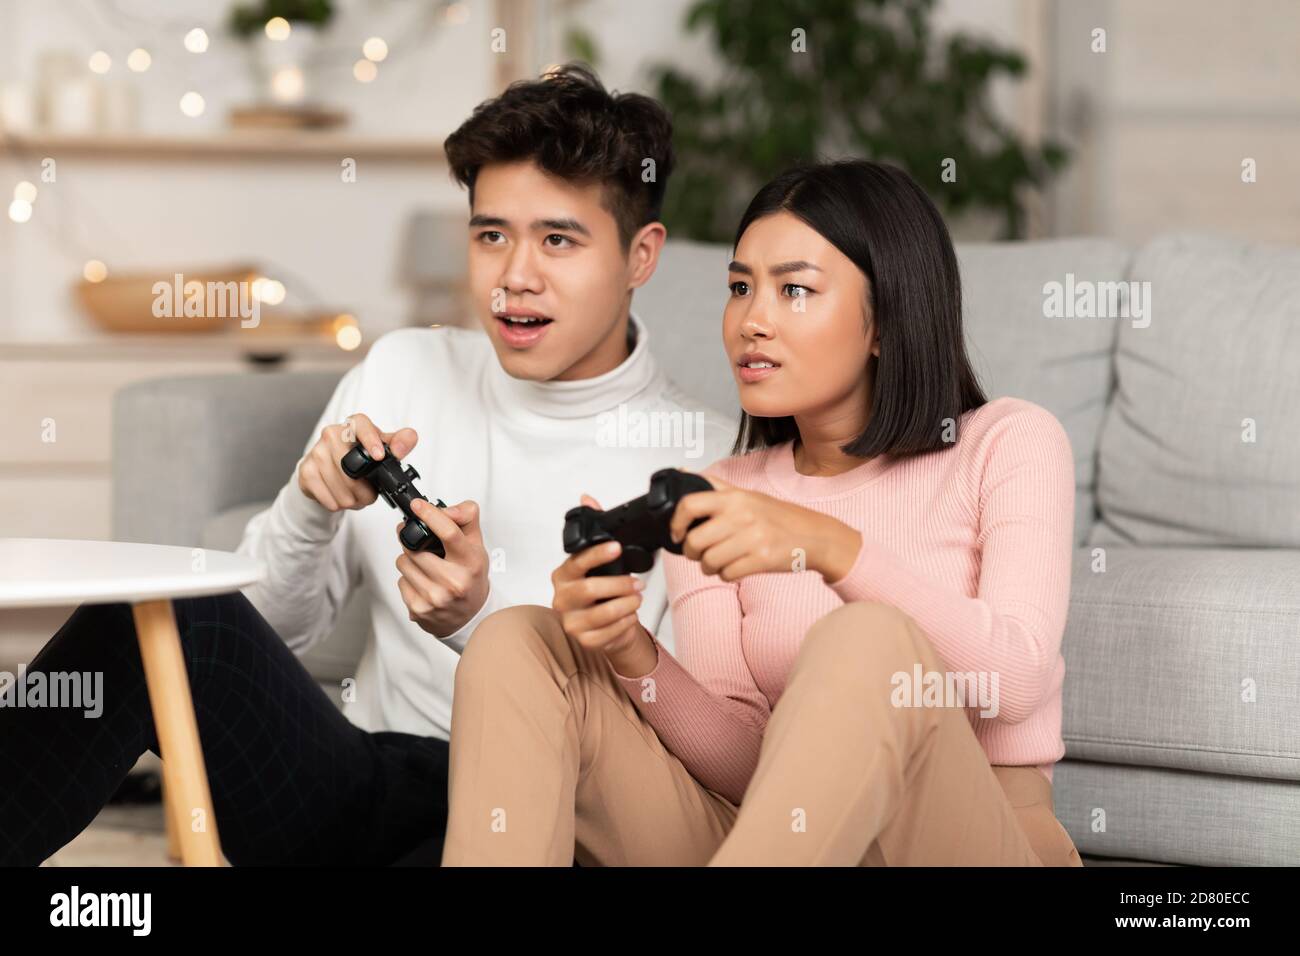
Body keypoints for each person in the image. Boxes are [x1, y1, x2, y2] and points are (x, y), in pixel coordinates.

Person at [0, 64, 733, 867]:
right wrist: (311, 510)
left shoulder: (708, 457)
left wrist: (479, 629)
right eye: (491, 235)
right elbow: (277, 632)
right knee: (162, 615)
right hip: (370, 780)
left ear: (641, 255)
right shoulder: (405, 371)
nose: (514, 276)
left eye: (558, 239)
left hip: (556, 821)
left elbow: (678, 757)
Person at [440, 159, 1085, 867]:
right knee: (520, 644)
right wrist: (630, 651)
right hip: (781, 838)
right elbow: (745, 763)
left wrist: (831, 548)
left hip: (967, 839)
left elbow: (1015, 682)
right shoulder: (726, 491)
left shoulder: (1009, 442)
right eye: (741, 287)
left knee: (868, 639)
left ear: (886, 319)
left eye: (795, 290)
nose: (752, 321)